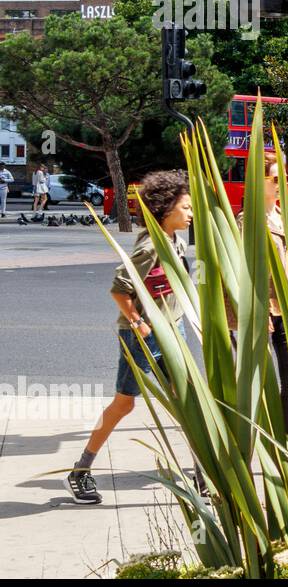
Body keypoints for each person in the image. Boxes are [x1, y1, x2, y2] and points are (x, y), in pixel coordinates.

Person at [66, 171, 192, 504]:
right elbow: (119, 289)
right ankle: (81, 471)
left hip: (172, 331)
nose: (190, 214)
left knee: (187, 401)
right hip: (143, 337)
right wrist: (139, 323)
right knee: (124, 404)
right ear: (165, 210)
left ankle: (204, 474)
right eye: (185, 207)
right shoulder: (150, 246)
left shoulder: (174, 240)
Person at [236, 158, 288, 429]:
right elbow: (244, 270)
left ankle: (284, 433)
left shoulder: (286, 218)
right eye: (275, 179)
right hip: (261, 311)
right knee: (257, 377)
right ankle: (253, 433)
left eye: (285, 179)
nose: (282, 185)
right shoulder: (248, 221)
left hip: (286, 309)